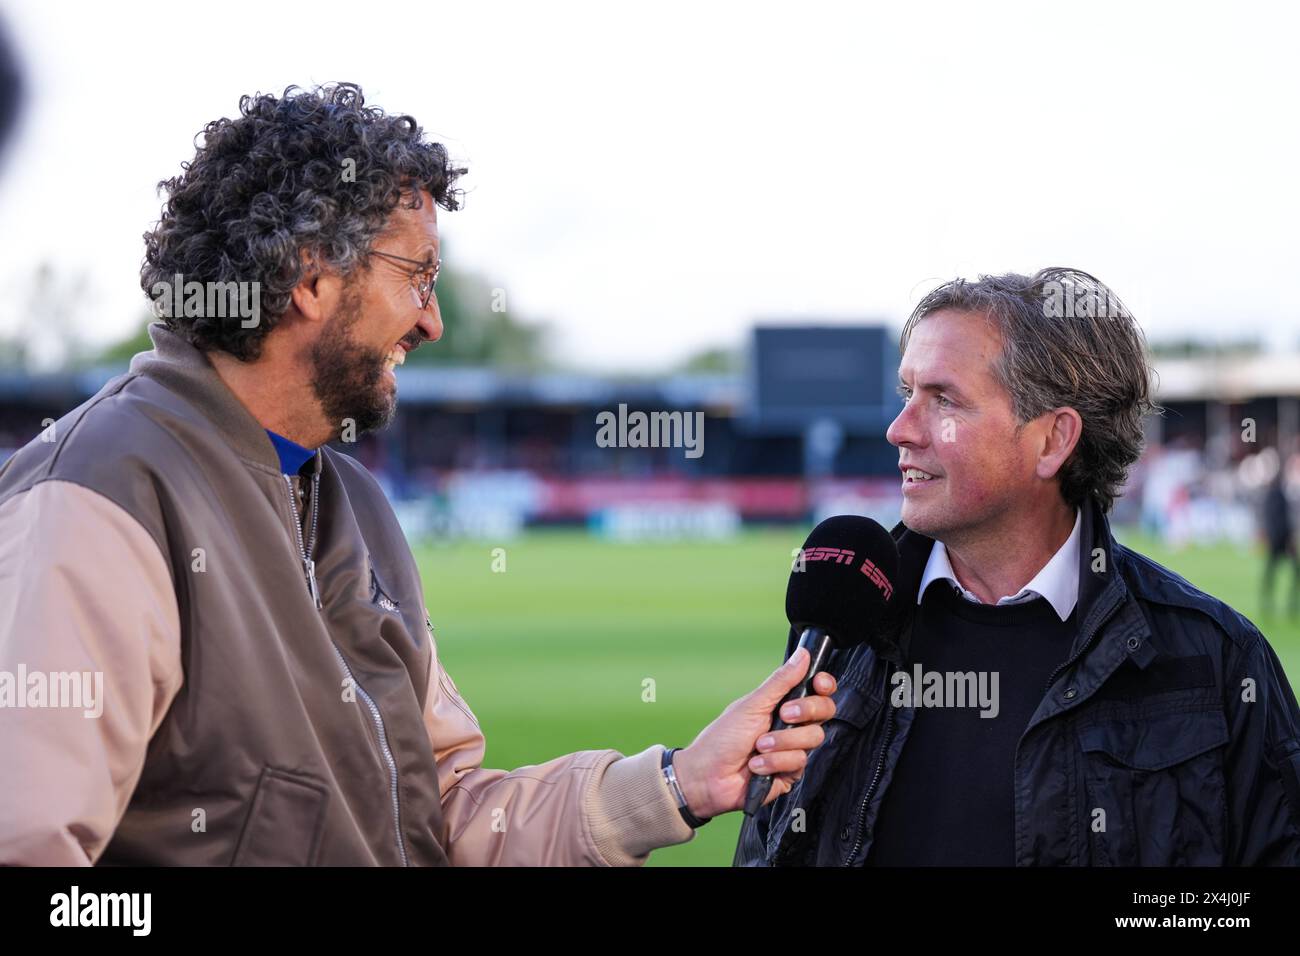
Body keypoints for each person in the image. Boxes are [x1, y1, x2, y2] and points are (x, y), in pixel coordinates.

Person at [0, 83, 837, 866]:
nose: (434, 320)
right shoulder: (97, 498)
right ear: (310, 275)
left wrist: (677, 783)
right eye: (417, 276)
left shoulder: (352, 502)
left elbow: (439, 812)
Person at [736, 268, 1300, 866]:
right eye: (907, 394)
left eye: (944, 400)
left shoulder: (1215, 660)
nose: (899, 430)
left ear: (1053, 440)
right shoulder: (842, 633)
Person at [1260, 464, 1299, 618]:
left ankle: (1269, 605)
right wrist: (1289, 539)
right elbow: (1282, 521)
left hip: (1275, 540)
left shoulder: (1271, 495)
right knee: (1293, 573)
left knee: (1271, 574)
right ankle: (1291, 606)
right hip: (1282, 540)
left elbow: (1270, 520)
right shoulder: (1279, 495)